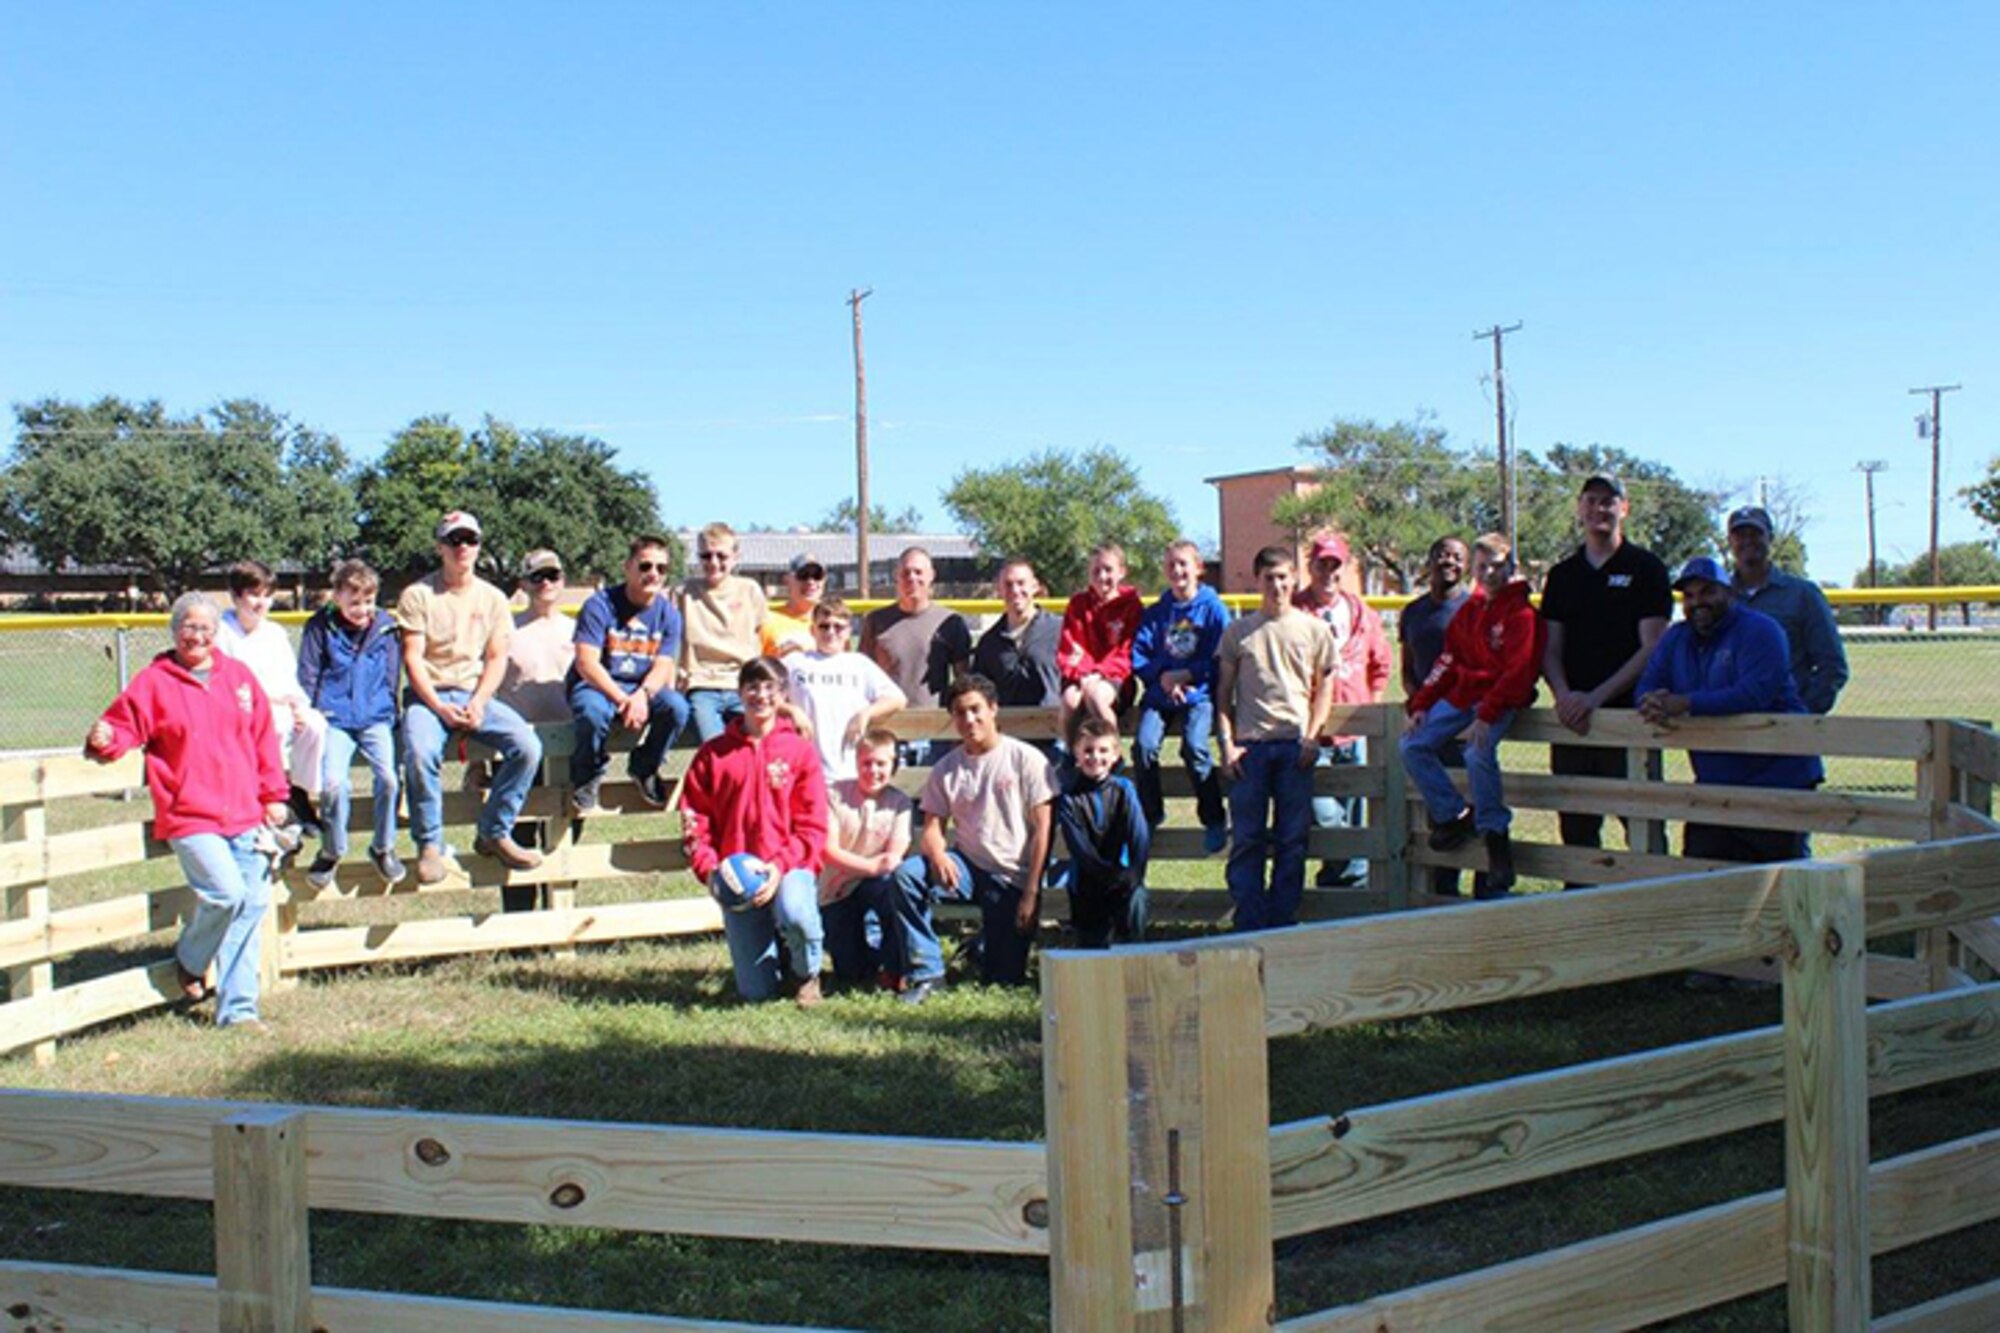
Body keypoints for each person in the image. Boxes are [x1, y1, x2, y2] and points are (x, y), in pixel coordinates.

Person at [84, 593, 289, 1031]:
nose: (197, 636)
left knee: (251, 905)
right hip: (190, 814)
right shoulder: (154, 681)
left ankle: (239, 1011)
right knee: (226, 894)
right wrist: (106, 739)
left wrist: (273, 794)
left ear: (217, 633)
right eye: (189, 627)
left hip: (245, 812)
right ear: (175, 630)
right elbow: (122, 724)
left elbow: (263, 740)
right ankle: (192, 961)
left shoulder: (239, 678)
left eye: (206, 628)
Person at [1636, 556, 1825, 863]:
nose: (1698, 602)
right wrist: (1650, 702)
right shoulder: (1676, 638)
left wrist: (1686, 703)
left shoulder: (1760, 630)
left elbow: (1754, 694)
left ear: (1729, 592)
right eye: (1689, 596)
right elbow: (1647, 683)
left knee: (1776, 880)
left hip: (1777, 779)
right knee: (1703, 875)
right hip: (1715, 784)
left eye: (1708, 592)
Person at [397, 510, 545, 882]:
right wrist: (438, 706)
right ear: (440, 547)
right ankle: (429, 844)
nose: (462, 547)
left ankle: (495, 830)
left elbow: (496, 658)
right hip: (427, 696)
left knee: (528, 747)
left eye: (470, 540)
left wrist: (478, 702)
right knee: (420, 754)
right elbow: (412, 658)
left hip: (473, 692)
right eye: (454, 540)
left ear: (479, 546)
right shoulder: (418, 595)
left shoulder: (492, 598)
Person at [677, 656, 830, 1007]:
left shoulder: (799, 752)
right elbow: (695, 818)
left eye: (770, 688)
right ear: (739, 692)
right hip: (737, 875)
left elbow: (812, 825)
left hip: (788, 866)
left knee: (795, 912)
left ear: (783, 695)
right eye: (752, 687)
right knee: (756, 993)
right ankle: (772, 961)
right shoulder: (713, 754)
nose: (761, 695)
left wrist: (779, 866)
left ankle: (806, 974)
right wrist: (710, 869)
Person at [891, 673, 1056, 996]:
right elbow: (932, 826)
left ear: (993, 708)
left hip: (1011, 876)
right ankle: (927, 973)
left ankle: (980, 949)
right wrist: (938, 855)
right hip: (964, 867)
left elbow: (1043, 830)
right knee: (906, 876)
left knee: (1004, 980)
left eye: (975, 709)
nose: (969, 719)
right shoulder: (946, 768)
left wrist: (1032, 892)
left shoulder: (1027, 760)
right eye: (960, 712)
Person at [1400, 534, 1545, 898]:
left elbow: (1519, 672)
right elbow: (1448, 661)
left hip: (1500, 699)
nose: (1489, 573)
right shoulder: (1470, 612)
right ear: (1474, 570)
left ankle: (1495, 835)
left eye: (1497, 565)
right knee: (1412, 745)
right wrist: (1421, 704)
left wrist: (1488, 714)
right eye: (1483, 566)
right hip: (1465, 695)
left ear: (1510, 568)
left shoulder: (1522, 614)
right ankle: (1453, 815)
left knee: (1477, 752)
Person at [1540, 474, 1672, 867]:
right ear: (1579, 508)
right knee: (1577, 826)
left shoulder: (1646, 568)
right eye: (1591, 500)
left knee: (1642, 821)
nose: (1599, 508)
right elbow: (1549, 648)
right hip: (1573, 720)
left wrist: (1596, 698)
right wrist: (1565, 696)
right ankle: (1580, 896)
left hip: (1629, 715)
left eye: (1608, 501)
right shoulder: (1562, 575)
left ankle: (1655, 894)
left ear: (1624, 508)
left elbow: (1652, 646)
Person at [1214, 545, 1336, 932]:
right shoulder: (1238, 632)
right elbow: (1223, 693)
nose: (1277, 585)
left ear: (1294, 579)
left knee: (1292, 840)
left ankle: (1283, 921)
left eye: (1283, 577)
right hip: (1250, 748)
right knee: (1247, 839)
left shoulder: (1314, 630)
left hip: (1294, 746)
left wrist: (1313, 737)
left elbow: (1325, 688)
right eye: (1269, 578)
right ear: (1257, 581)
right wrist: (1227, 743)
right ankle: (1249, 922)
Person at [297, 560, 404, 890]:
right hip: (336, 717)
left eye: (368, 601)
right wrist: (312, 712)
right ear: (337, 597)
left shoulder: (386, 627)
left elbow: (392, 673)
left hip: (374, 717)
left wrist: (390, 711)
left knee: (388, 779)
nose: (362, 609)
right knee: (333, 783)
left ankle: (383, 847)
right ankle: (332, 849)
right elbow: (309, 674)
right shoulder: (320, 627)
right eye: (354, 602)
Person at [1294, 533, 1392, 888]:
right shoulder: (1295, 610)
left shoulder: (1361, 612)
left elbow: (1381, 663)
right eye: (1321, 564)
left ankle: (1339, 888)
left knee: (1354, 809)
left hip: (1355, 731)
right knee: (1321, 810)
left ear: (1345, 568)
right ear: (1310, 567)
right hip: (1311, 733)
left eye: (1335, 565)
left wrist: (1371, 709)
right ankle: (1356, 869)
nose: (1328, 572)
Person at [569, 535, 691, 812]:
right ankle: (587, 773)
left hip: (641, 686)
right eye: (645, 566)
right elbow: (586, 663)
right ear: (627, 567)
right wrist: (623, 699)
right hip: (597, 685)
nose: (653, 574)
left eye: (661, 568)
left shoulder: (669, 614)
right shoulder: (599, 605)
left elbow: (663, 664)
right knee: (592, 712)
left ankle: (645, 765)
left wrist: (642, 695)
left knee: (678, 708)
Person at [1130, 539, 1230, 852]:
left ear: (1198, 568)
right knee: (1144, 747)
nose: (1177, 571)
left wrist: (1188, 675)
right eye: (1171, 565)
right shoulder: (1157, 612)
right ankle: (1151, 812)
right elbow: (1139, 655)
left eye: (1183, 564)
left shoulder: (1213, 609)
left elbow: (1221, 656)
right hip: (1160, 696)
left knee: (1195, 747)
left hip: (1198, 694)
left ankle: (1213, 817)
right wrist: (1162, 676)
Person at [215, 559, 327, 835]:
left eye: (267, 595)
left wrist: (298, 707)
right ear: (236, 596)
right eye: (254, 595)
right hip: (239, 710)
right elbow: (223, 682)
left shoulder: (274, 633)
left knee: (314, 725)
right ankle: (273, 799)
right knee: (276, 725)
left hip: (281, 704)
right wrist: (267, 704)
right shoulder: (221, 632)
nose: (261, 603)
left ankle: (299, 793)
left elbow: (289, 679)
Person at [1399, 536, 1473, 897]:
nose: (1449, 562)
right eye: (1442, 555)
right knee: (1437, 813)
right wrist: (1417, 702)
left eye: (1457, 557)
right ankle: (1441, 895)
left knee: (1472, 803)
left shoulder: (1475, 609)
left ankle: (1485, 890)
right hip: (1427, 722)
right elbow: (1407, 667)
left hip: (1464, 722)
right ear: (1429, 562)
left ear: (1466, 565)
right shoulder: (1414, 612)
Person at [1726, 506, 1848, 715]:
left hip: (1787, 718)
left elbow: (1832, 665)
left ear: (1770, 538)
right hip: (1731, 718)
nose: (1748, 541)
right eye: (1740, 535)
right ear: (1730, 542)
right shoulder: (1719, 597)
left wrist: (1804, 713)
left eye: (1755, 534)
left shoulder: (1802, 594)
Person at [819, 727, 915, 988]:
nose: (873, 770)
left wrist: (865, 870)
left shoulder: (900, 803)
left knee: (894, 890)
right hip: (834, 890)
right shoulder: (833, 796)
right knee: (850, 972)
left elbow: (892, 859)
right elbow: (828, 850)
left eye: (881, 764)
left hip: (872, 882)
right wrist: (872, 866)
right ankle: (864, 962)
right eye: (866, 763)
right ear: (856, 762)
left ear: (893, 765)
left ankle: (894, 967)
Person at [861, 546, 972, 767]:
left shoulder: (950, 623)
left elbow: (964, 680)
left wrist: (959, 731)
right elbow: (863, 678)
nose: (912, 578)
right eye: (906, 572)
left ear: (931, 576)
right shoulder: (876, 621)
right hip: (888, 729)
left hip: (935, 731)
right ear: (896, 577)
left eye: (918, 572)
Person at [784, 596, 907, 779]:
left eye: (838, 627)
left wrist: (866, 714)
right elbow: (767, 696)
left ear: (849, 631)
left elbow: (897, 699)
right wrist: (792, 710)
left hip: (850, 771)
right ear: (813, 630)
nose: (831, 632)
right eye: (824, 626)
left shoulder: (859, 664)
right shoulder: (794, 663)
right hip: (806, 770)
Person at [1055, 717, 1150, 947]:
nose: (1095, 757)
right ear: (1076, 753)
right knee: (1092, 950)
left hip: (1124, 876)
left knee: (1136, 901)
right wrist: (1104, 874)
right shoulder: (1069, 797)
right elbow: (1079, 846)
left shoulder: (1124, 790)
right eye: (1088, 750)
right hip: (1087, 881)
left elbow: (1139, 836)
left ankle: (1132, 948)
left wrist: (1134, 872)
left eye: (1103, 750)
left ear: (1115, 754)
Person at [680, 523, 769, 743]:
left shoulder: (749, 590)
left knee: (757, 742)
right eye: (706, 556)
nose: (714, 562)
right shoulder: (684, 592)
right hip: (702, 684)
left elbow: (763, 633)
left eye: (721, 556)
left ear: (735, 557)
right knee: (715, 746)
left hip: (743, 683)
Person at [1057, 543, 1143, 742]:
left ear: (1121, 572)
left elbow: (1127, 651)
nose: (1102, 576)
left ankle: (1112, 752)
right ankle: (1070, 753)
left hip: (1117, 677)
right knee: (1070, 700)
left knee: (1096, 696)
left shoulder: (1131, 606)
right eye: (1096, 571)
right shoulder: (1078, 604)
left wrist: (1100, 673)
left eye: (1108, 570)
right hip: (1082, 674)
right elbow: (1072, 644)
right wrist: (1084, 673)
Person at [498, 549, 576, 728]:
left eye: (552, 576)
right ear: (523, 584)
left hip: (569, 733)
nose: (546, 583)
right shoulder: (505, 629)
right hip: (519, 734)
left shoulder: (578, 630)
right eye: (537, 577)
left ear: (563, 581)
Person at [972, 558, 1062, 710]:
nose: (1015, 590)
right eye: (1008, 584)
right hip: (1007, 722)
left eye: (1021, 583)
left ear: (1035, 586)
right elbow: (980, 692)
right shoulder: (990, 642)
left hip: (1052, 720)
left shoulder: (1059, 630)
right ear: (999, 590)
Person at [762, 554, 826, 658]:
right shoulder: (767, 621)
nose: (811, 582)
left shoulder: (833, 623)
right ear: (787, 580)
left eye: (817, 576)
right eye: (803, 575)